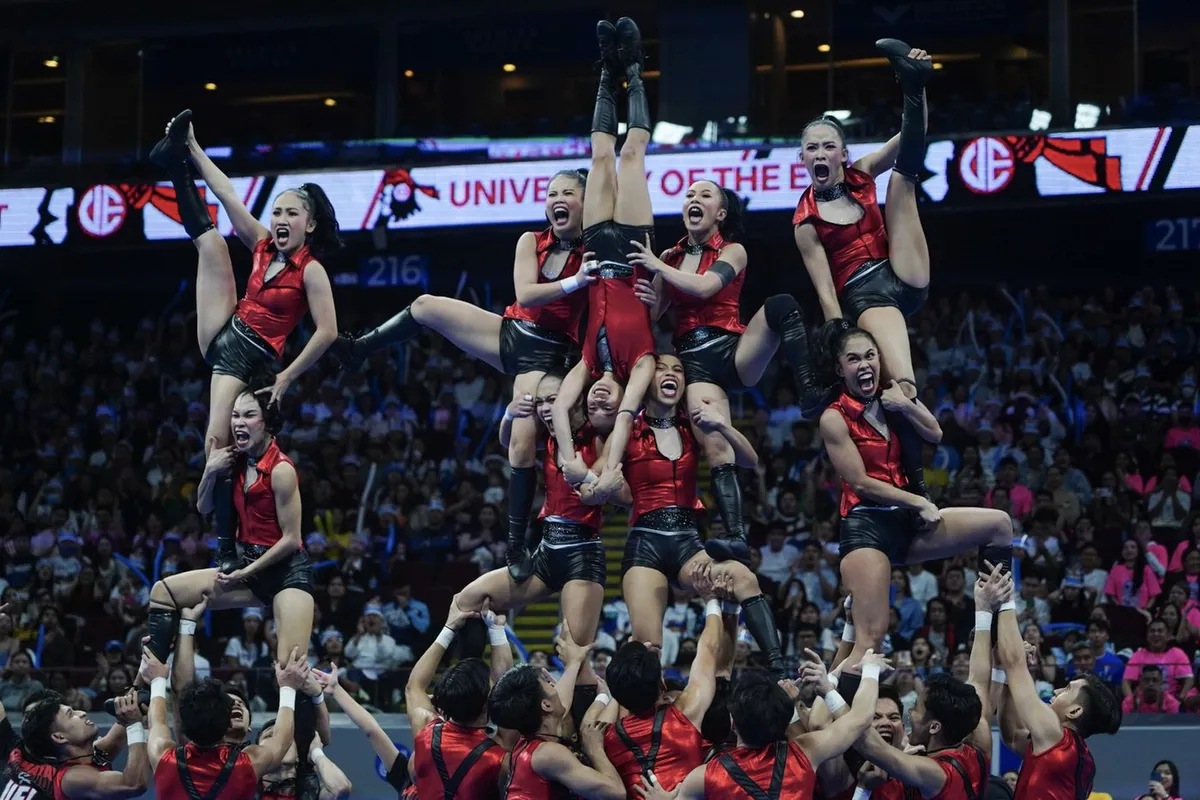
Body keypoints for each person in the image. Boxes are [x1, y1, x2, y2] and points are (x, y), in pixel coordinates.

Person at [329, 168, 589, 584]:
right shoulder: (531, 241)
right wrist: (577, 280)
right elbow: (525, 295)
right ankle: (360, 349)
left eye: (568, 193)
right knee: (428, 304)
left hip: (547, 355)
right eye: (551, 193)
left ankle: (517, 544)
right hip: (509, 331)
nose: (557, 199)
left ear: (586, 202)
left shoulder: (592, 249)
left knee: (521, 442)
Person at [627, 181, 826, 564]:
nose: (693, 200)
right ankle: (735, 535)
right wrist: (649, 287)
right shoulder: (670, 256)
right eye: (689, 196)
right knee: (716, 441)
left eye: (704, 196)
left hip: (736, 349)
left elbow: (705, 287)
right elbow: (653, 315)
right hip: (696, 363)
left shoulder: (734, 250)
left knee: (781, 304)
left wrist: (658, 266)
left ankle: (810, 390)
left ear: (720, 214)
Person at [819, 326, 1014, 696]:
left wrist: (905, 404)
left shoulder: (896, 395)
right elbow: (860, 482)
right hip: (867, 528)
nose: (864, 364)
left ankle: (1000, 627)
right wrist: (920, 501)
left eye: (870, 355)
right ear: (840, 369)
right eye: (854, 358)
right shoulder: (833, 417)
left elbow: (935, 433)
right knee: (870, 643)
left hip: (907, 522)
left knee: (999, 525)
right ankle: (826, 708)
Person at [149, 109, 340, 457]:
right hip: (225, 327)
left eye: (292, 214)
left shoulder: (311, 270)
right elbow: (226, 194)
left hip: (250, 357)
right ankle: (174, 162)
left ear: (309, 226)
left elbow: (327, 331)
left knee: (215, 442)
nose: (281, 219)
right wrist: (192, 145)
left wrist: (288, 376)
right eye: (277, 212)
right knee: (212, 243)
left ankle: (214, 501)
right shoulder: (263, 243)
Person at [792, 41, 933, 495]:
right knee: (902, 386)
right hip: (866, 297)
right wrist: (839, 335)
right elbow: (825, 291)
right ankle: (916, 482)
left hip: (904, 272)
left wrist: (919, 92)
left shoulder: (861, 174)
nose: (819, 153)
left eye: (827, 146)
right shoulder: (805, 220)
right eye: (811, 148)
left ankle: (911, 83)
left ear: (842, 154)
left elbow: (913, 134)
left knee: (903, 178)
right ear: (802, 159)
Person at [602, 354, 788, 678]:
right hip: (645, 546)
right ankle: (637, 716)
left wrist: (722, 425)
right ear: (646, 380)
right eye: (662, 369)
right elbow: (602, 476)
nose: (671, 373)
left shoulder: (693, 426)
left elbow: (749, 460)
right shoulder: (627, 428)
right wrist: (606, 489)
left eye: (678, 369)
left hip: (689, 544)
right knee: (648, 646)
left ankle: (779, 669)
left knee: (743, 578)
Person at [452, 372, 612, 719]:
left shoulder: (598, 436)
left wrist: (588, 476)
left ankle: (579, 738)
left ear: (572, 400)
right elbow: (510, 443)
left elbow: (599, 487)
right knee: (467, 600)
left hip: (582, 553)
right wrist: (511, 413)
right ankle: (469, 693)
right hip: (546, 550)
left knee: (576, 657)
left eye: (552, 400)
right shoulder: (549, 435)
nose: (543, 409)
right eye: (540, 401)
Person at [550, 16, 660, 491]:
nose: (597, 400)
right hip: (634, 250)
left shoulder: (587, 365)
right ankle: (634, 70)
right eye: (604, 405)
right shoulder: (643, 365)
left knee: (598, 157)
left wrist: (569, 457)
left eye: (590, 406)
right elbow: (628, 415)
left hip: (597, 248)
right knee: (631, 155)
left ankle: (604, 71)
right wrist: (608, 465)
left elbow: (557, 407)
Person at [146, 390, 314, 693]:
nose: (238, 422)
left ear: (268, 423)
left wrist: (246, 572)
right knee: (163, 592)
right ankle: (147, 690)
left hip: (287, 573)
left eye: (249, 415)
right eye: (235, 415)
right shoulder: (233, 461)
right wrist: (209, 471)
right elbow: (203, 506)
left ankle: (304, 735)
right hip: (248, 568)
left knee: (292, 673)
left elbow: (292, 539)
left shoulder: (282, 470)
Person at [641, 650, 887, 800]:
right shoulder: (806, 751)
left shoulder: (704, 776)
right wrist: (870, 669)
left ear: (733, 723)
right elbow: (862, 716)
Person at [855, 569, 1008, 800]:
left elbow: (866, 742)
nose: (911, 716)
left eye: (917, 709)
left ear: (935, 726)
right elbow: (977, 678)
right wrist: (984, 609)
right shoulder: (978, 748)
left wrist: (866, 671)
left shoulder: (934, 772)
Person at [995, 565, 1123, 800]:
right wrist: (1007, 676)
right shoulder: (1080, 757)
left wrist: (1005, 599)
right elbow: (1011, 735)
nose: (1056, 689)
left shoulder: (1056, 736)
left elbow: (1014, 663)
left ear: (1075, 711)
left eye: (1067, 689)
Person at [597, 571, 730, 796]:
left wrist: (633, 658)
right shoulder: (685, 715)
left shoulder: (605, 737)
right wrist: (711, 600)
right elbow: (709, 648)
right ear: (662, 685)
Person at [144, 645, 309, 800]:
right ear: (228, 723)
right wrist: (288, 686)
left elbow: (157, 721)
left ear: (183, 723)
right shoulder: (248, 764)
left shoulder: (161, 755)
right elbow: (283, 740)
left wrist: (158, 680)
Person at [397, 601, 510, 800]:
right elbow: (507, 686)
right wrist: (497, 630)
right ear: (487, 704)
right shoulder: (499, 755)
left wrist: (449, 627)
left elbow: (414, 685)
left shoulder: (426, 729)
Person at [488, 664, 626, 800]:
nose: (555, 686)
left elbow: (561, 715)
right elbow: (616, 792)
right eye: (546, 682)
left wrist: (602, 696)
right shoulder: (548, 754)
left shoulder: (524, 744)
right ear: (546, 705)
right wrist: (595, 749)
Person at [5, 691, 148, 799]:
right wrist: (134, 724)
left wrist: (147, 667)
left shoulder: (91, 755)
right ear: (59, 737)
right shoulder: (72, 779)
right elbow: (134, 784)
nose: (82, 713)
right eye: (71, 714)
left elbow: (122, 725)